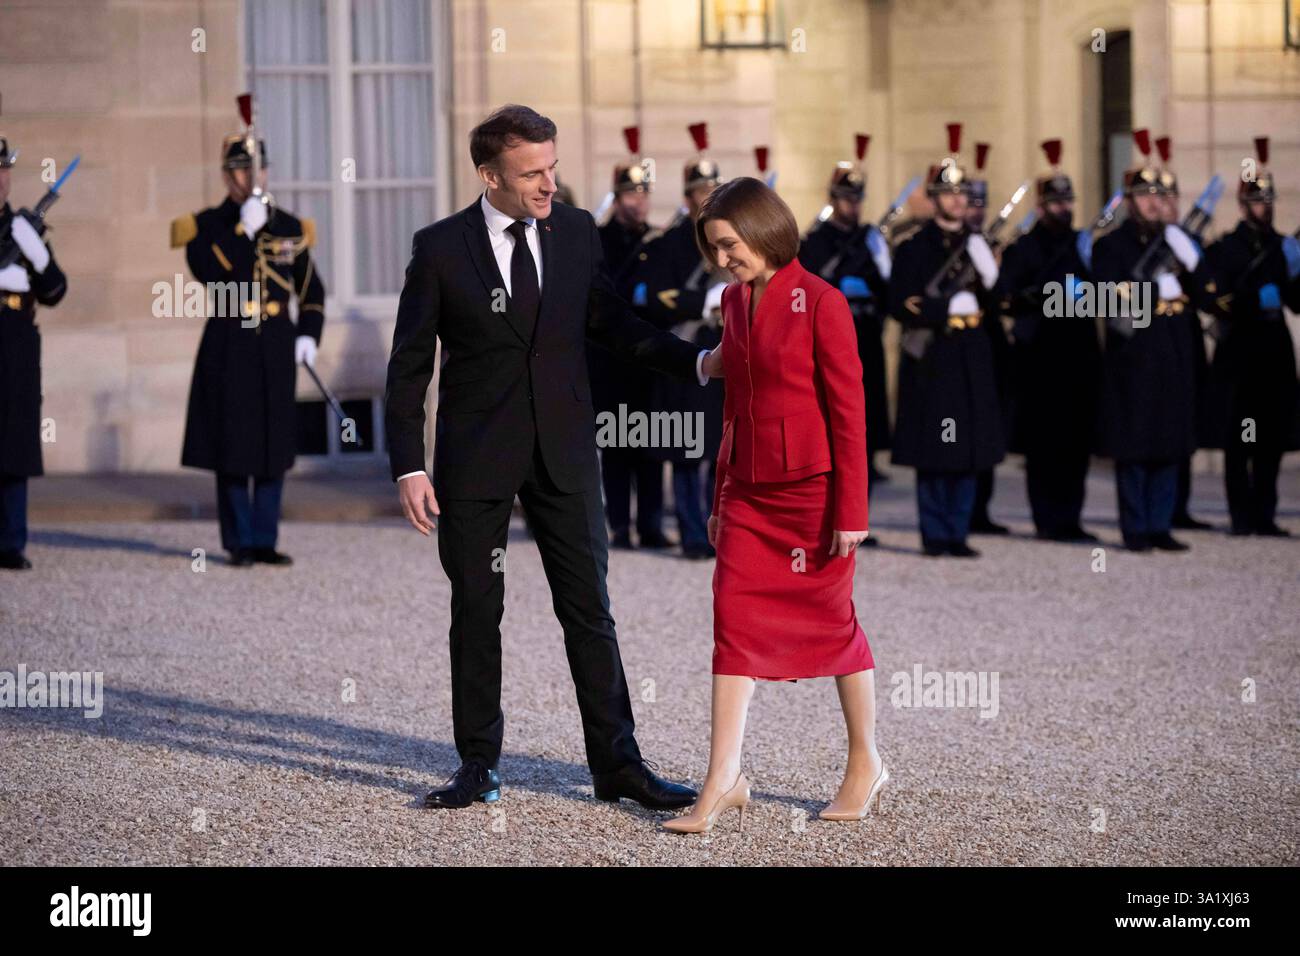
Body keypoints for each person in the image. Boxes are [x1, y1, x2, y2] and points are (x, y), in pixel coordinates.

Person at [385, 104, 722, 811]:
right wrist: (407, 464)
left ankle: (618, 765)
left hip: (566, 451)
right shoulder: (441, 248)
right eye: (532, 173)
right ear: (490, 175)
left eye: (553, 168)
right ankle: (478, 765)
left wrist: (695, 362)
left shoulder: (574, 232)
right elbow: (410, 364)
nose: (548, 185)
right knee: (477, 608)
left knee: (590, 611)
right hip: (476, 459)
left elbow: (612, 322)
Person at [662, 177, 886, 834]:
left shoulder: (824, 302)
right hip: (749, 498)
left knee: (832, 623)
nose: (724, 259)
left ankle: (865, 761)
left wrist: (853, 509)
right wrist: (719, 493)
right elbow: (733, 404)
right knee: (732, 622)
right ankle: (722, 779)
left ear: (762, 230)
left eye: (730, 244)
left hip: (814, 495)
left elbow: (850, 412)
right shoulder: (733, 300)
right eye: (714, 248)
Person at [172, 110, 326, 567]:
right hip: (230, 345)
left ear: (265, 171)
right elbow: (213, 275)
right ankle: (238, 541)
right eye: (238, 169)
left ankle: (264, 538)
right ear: (225, 174)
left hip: (276, 344)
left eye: (254, 167)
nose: (247, 176)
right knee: (234, 444)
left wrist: (309, 334)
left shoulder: (290, 226)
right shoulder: (205, 226)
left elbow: (311, 289)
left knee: (274, 442)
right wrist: (244, 230)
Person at [888, 123, 1005, 557]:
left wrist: (992, 274)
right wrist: (944, 310)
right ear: (934, 198)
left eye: (962, 194)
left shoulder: (978, 244)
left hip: (971, 353)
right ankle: (935, 532)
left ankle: (958, 530)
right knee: (936, 445)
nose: (957, 200)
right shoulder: (914, 247)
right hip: (934, 356)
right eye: (949, 193)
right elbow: (900, 303)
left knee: (968, 444)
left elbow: (1000, 300)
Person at [1093, 128, 1202, 552]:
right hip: (1133, 354)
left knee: (1169, 437)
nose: (1153, 203)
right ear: (1129, 200)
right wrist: (1157, 291)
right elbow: (1102, 296)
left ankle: (1161, 523)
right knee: (1135, 443)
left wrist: (1190, 256)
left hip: (1173, 348)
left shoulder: (1175, 240)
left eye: (1159, 195)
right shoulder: (1112, 245)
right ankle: (1136, 527)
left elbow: (1208, 289)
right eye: (1144, 196)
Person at [626, 123, 728, 559]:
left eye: (712, 190)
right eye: (699, 191)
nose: (705, 198)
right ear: (686, 198)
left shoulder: (726, 237)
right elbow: (657, 297)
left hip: (721, 356)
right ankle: (692, 533)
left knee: (720, 457)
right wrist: (703, 300)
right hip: (687, 358)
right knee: (689, 457)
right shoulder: (668, 243)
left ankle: (719, 532)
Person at [998, 138, 1101, 541]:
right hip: (1039, 357)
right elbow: (1010, 296)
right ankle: (1047, 519)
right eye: (1056, 203)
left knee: (1077, 442)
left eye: (1068, 201)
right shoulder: (1024, 248)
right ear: (1040, 207)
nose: (1064, 208)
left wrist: (1084, 291)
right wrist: (1051, 293)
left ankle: (1071, 517)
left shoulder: (1083, 245)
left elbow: (1105, 293)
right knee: (1043, 445)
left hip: (1077, 352)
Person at [1200, 136, 1300, 535]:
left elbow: (1297, 302)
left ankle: (1266, 514)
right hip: (1241, 354)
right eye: (1259, 201)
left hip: (1274, 352)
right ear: (1243, 205)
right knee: (1241, 438)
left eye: (1269, 201)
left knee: (1271, 440)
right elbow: (1216, 299)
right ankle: (1242, 515)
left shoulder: (1283, 246)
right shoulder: (1227, 248)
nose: (1266, 207)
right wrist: (1251, 299)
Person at [797, 133, 892, 527]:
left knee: (861, 431)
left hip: (865, 339)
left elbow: (891, 293)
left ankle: (858, 515)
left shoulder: (870, 239)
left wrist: (883, 264)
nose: (851, 206)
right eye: (845, 198)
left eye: (856, 199)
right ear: (832, 198)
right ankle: (823, 516)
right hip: (827, 344)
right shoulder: (815, 242)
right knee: (829, 429)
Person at [587, 126, 670, 550]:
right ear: (617, 198)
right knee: (618, 447)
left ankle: (652, 523)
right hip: (610, 359)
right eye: (631, 196)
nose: (639, 203)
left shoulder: (656, 241)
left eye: (643, 195)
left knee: (653, 444)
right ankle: (619, 524)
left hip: (648, 357)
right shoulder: (597, 241)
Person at [0, 131, 68, 571]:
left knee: (14, 443)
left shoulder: (23, 227)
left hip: (15, 349)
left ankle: (10, 542)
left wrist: (38, 258)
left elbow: (57, 290)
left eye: (2, 170)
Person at [1155, 136, 1214, 531]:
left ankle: (1180, 506)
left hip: (1185, 336)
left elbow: (1207, 291)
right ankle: (1158, 512)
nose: (1167, 205)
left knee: (1184, 420)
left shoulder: (1184, 240)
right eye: (1160, 198)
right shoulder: (1132, 245)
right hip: (1150, 339)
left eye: (1171, 197)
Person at [965, 141, 1012, 536]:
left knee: (987, 426)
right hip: (958, 343)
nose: (976, 211)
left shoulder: (990, 247)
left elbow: (1004, 297)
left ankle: (982, 509)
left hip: (990, 341)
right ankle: (965, 512)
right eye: (971, 204)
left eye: (980, 205)